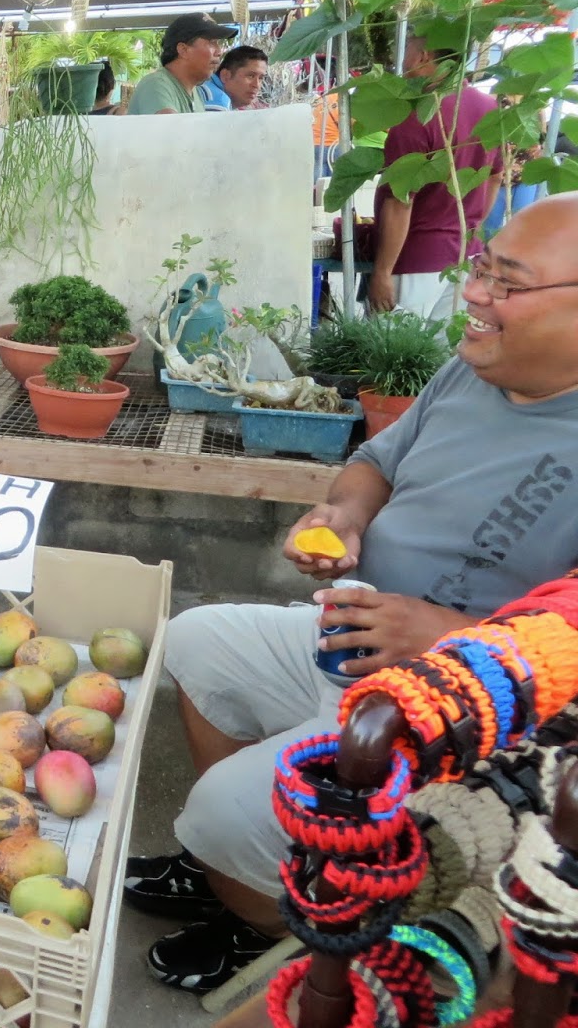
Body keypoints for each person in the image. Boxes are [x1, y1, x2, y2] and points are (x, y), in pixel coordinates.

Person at [125, 192, 578, 995]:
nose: (473, 294)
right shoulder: (469, 375)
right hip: (357, 633)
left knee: (224, 806)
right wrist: (345, 514)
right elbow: (376, 462)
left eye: (506, 282)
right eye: (480, 269)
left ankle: (281, 923)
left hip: (453, 710)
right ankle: (245, 885)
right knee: (196, 642)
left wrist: (444, 634)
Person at [368, 37, 502, 317]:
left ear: (422, 57)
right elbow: (495, 177)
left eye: (407, 51)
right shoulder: (490, 108)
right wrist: (471, 226)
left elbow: (400, 200)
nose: (402, 61)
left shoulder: (418, 114)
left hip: (417, 257)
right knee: (442, 355)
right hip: (466, 255)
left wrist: (382, 271)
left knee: (394, 352)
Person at [127, 13, 237, 115]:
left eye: (218, 43)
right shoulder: (156, 85)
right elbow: (174, 133)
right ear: (183, 50)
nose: (219, 51)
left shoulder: (196, 93)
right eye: (212, 42)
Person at [203, 45, 269, 111]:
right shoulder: (219, 100)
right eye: (250, 76)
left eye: (260, 78)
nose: (256, 85)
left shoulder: (206, 87)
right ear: (225, 76)